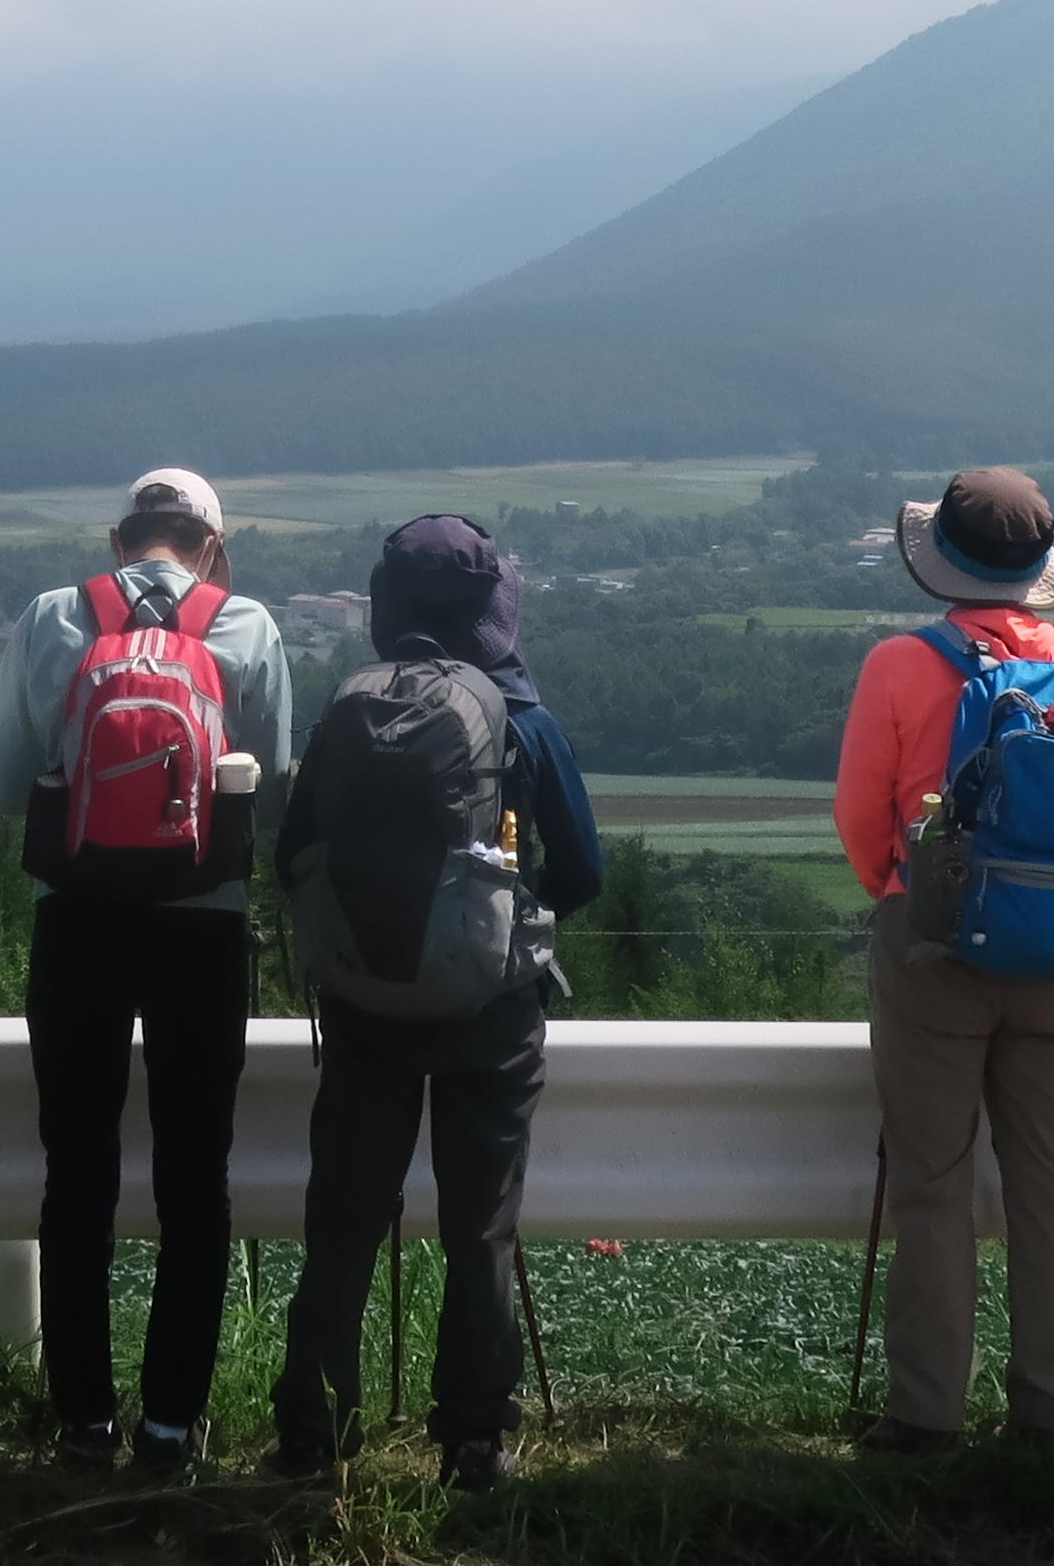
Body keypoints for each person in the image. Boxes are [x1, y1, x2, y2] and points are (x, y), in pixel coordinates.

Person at [267, 513, 605, 1493]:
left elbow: (292, 858)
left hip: (365, 1004)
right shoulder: (522, 721)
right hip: (489, 1009)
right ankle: (471, 1439)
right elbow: (580, 872)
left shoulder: (347, 710)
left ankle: (308, 1430)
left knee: (343, 1218)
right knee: (478, 1223)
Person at [0, 463, 294, 1474]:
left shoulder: (48, 617)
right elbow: (274, 785)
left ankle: (82, 1422)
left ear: (121, 538)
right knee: (193, 1181)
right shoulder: (243, 624)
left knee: (72, 1173)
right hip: (199, 927)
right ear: (208, 542)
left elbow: (4, 783)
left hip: (74, 920)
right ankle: (172, 1426)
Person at [829, 467, 1054, 1454]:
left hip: (936, 945)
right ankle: (1049, 1411)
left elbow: (862, 819)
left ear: (940, 561)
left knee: (932, 1182)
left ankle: (924, 1415)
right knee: (1050, 1188)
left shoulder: (900, 666)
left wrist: (906, 903)